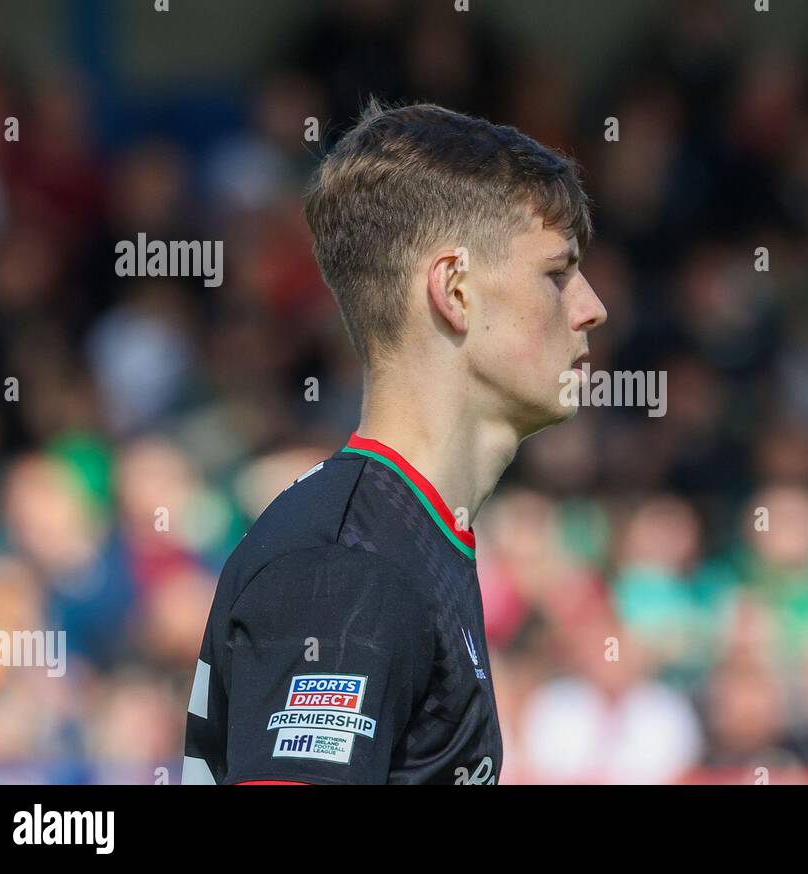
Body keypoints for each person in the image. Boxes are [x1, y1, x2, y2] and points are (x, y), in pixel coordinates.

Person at [182, 100, 607, 784]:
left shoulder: (406, 535)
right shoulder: (348, 566)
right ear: (455, 292)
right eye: (557, 273)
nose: (591, 306)